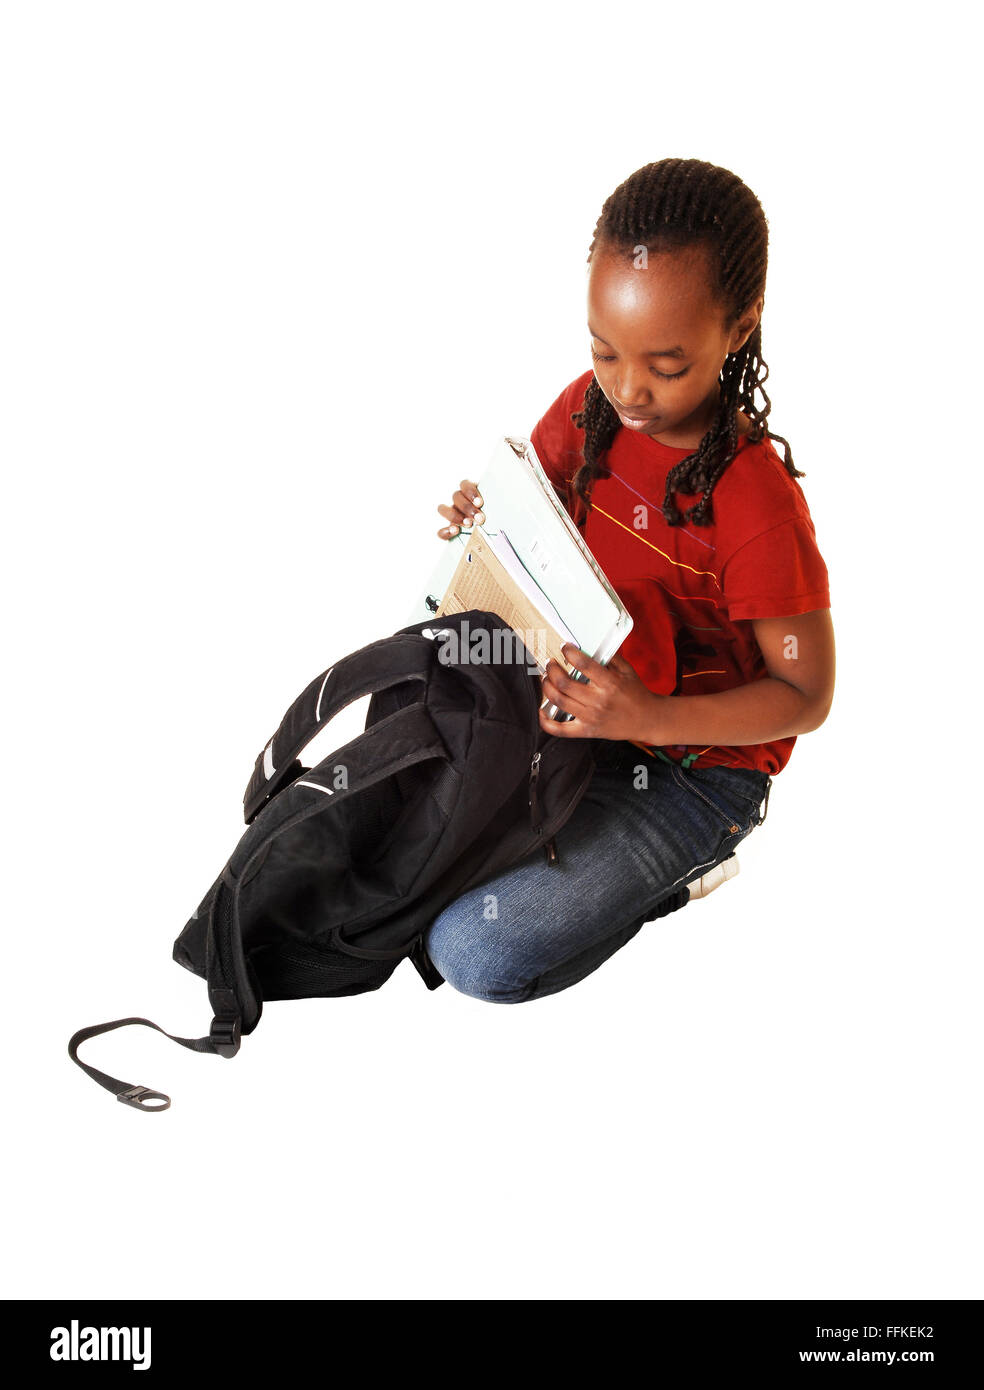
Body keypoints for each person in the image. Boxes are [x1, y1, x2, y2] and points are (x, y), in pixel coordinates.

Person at [426, 157, 835, 1004]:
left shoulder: (755, 505)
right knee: (398, 849)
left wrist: (647, 717)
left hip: (694, 769)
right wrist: (483, 514)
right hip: (576, 703)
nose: (628, 389)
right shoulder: (593, 409)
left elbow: (805, 692)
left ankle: (689, 867)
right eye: (604, 352)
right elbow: (535, 512)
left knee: (472, 952)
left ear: (742, 324)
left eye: (667, 364)